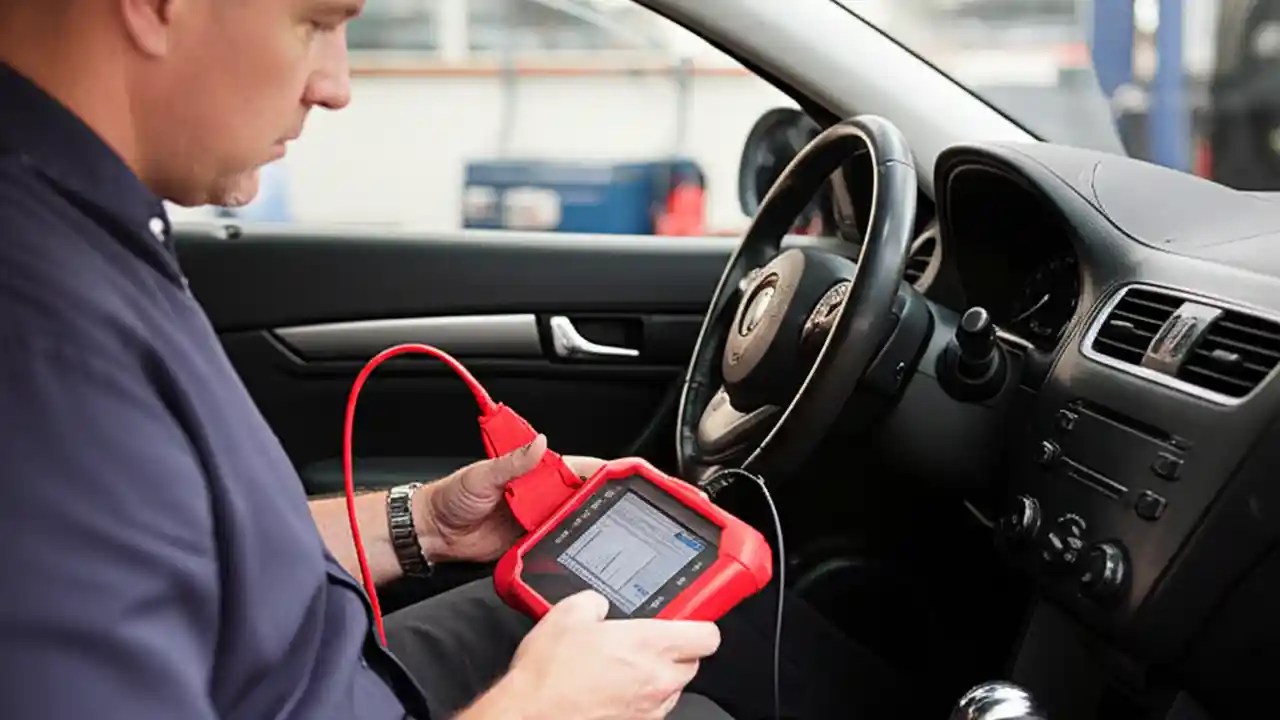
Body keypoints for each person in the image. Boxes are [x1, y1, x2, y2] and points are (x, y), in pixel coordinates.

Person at [0, 1, 908, 718]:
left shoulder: (82, 232)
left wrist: (425, 525)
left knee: (730, 609)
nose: (336, 84)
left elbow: (192, 559)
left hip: (317, 664)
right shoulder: (42, 351)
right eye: (316, 23)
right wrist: (540, 711)